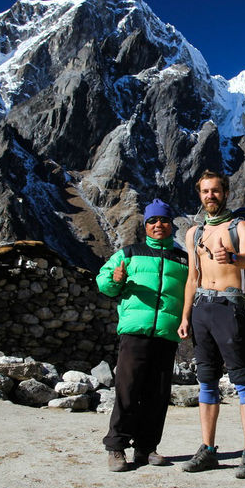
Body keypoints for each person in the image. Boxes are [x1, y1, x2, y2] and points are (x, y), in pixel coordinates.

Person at [177, 170, 245, 479]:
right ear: (199, 195)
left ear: (225, 193)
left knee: (242, 380)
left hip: (231, 306)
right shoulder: (194, 234)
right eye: (204, 191)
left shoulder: (240, 227)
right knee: (207, 381)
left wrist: (233, 259)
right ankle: (208, 449)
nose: (209, 196)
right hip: (201, 307)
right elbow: (192, 277)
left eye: (215, 191)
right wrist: (185, 315)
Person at [95, 199, 189, 471]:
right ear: (145, 225)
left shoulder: (183, 259)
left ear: (171, 224)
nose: (158, 225)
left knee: (158, 394)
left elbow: (191, 293)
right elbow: (104, 285)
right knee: (127, 388)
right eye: (152, 221)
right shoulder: (129, 254)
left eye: (163, 220)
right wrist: (116, 278)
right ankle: (116, 447)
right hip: (135, 332)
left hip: (166, 334)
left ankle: (147, 448)